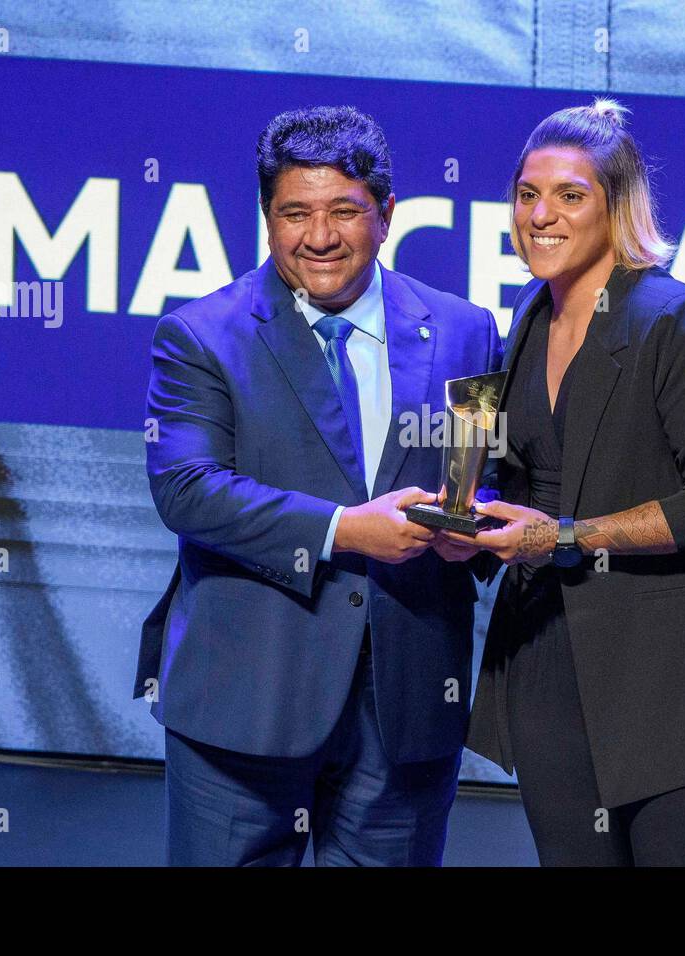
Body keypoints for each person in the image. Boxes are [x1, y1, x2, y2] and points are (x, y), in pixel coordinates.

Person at [133, 106, 501, 866]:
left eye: (344, 211)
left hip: (405, 706)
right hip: (247, 704)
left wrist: (478, 537)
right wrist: (343, 530)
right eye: (293, 213)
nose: (319, 236)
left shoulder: (467, 329)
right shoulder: (201, 335)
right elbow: (187, 489)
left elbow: (482, 474)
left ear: (387, 213)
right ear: (267, 217)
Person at [438, 98, 685, 866]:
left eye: (570, 195)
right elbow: (524, 479)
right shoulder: (530, 316)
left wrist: (565, 537)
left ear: (618, 205)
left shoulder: (679, 322)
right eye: (528, 195)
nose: (541, 215)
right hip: (550, 668)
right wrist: (466, 526)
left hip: (677, 675)